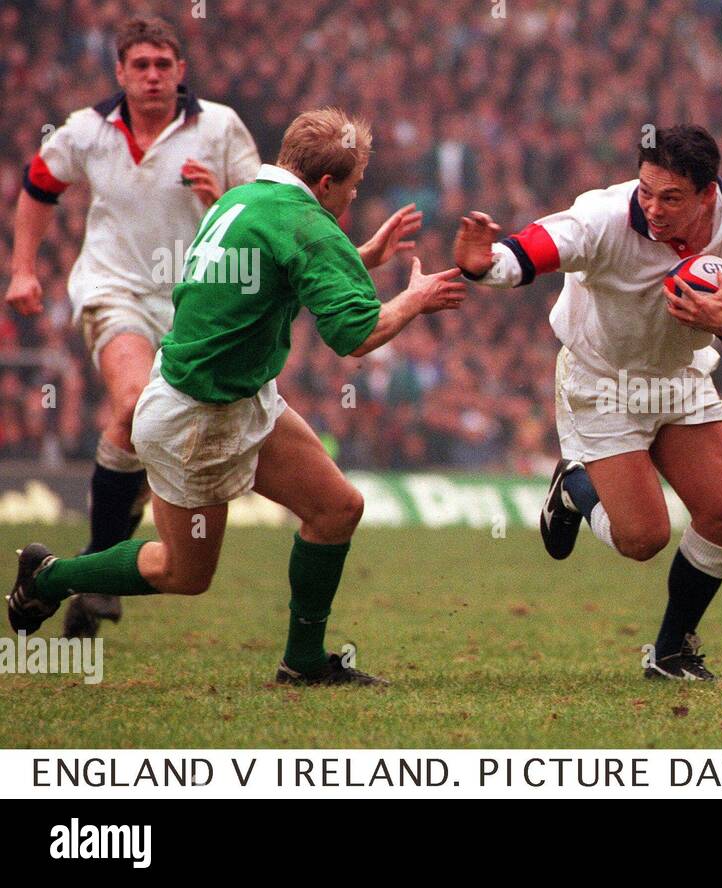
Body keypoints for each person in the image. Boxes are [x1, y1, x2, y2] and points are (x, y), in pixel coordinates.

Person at [8, 108, 467, 686]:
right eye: (352, 187)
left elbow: (280, 266)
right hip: (196, 418)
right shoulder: (305, 225)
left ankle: (301, 662)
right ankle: (49, 578)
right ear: (325, 185)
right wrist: (415, 299)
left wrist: (360, 257)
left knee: (337, 508)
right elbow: (355, 335)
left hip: (240, 398)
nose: (353, 197)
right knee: (184, 571)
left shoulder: (244, 199)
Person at [453, 124, 722, 680]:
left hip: (680, 376)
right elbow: (537, 247)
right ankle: (574, 488)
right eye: (647, 191)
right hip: (601, 380)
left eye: (672, 198)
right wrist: (485, 264)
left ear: (708, 194)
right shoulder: (606, 216)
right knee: (643, 539)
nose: (653, 208)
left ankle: (671, 653)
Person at [5, 16, 261, 639]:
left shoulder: (221, 127)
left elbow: (260, 214)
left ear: (181, 71)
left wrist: (218, 196)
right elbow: (40, 187)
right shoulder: (87, 131)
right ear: (120, 72)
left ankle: (77, 575)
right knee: (134, 403)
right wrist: (22, 269)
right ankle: (94, 576)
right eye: (140, 65)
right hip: (112, 291)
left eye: (163, 65)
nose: (152, 76)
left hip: (195, 302)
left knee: (143, 428)